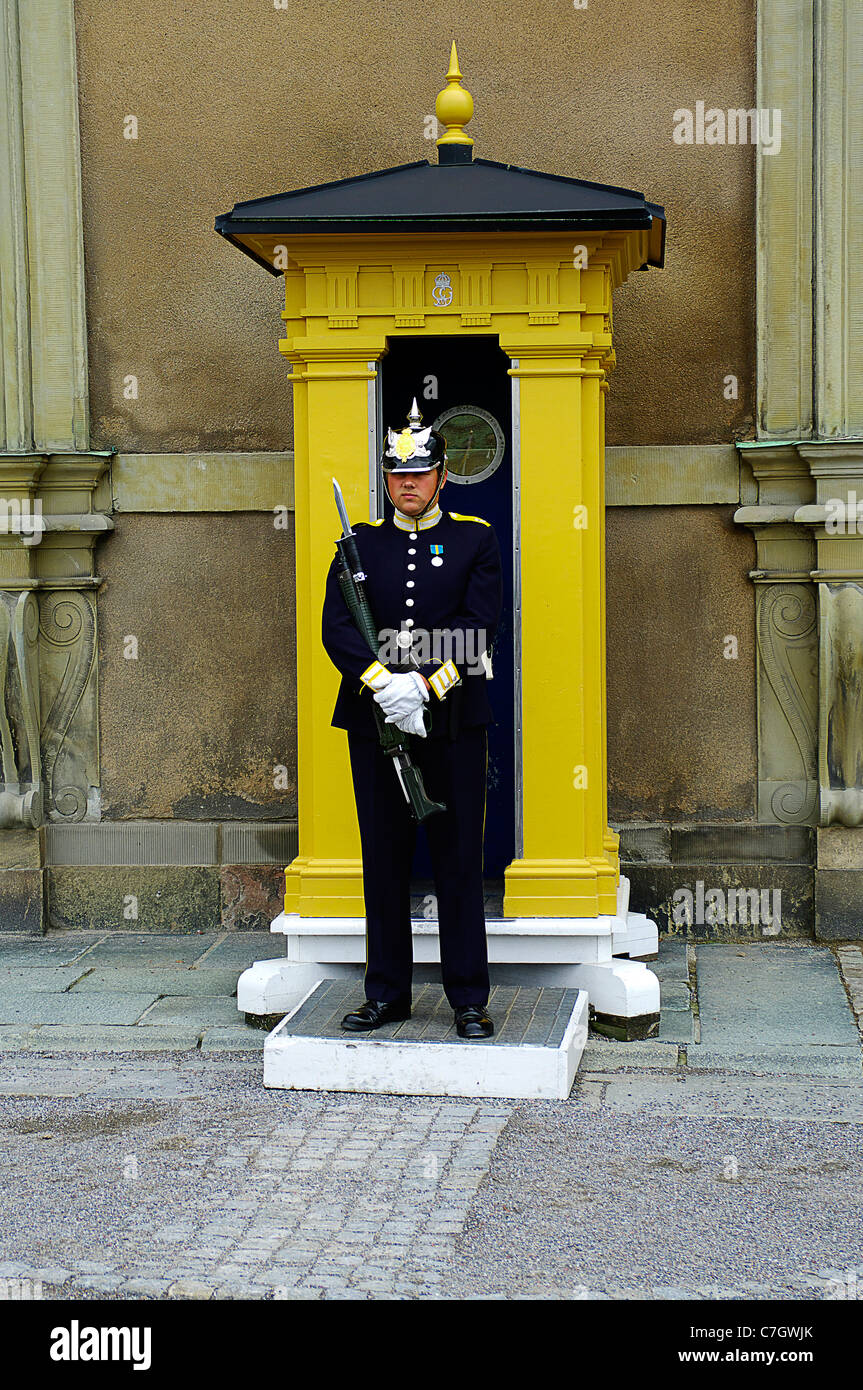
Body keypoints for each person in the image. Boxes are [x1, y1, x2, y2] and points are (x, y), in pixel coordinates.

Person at [321, 397, 503, 1039]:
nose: (408, 484)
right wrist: (382, 685)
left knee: (458, 860)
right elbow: (338, 629)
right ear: (387, 479)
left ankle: (469, 998)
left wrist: (423, 690)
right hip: (376, 726)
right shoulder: (359, 545)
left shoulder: (475, 538)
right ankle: (387, 993)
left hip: (451, 722)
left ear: (441, 477)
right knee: (384, 857)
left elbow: (479, 628)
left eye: (419, 474)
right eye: (398, 475)